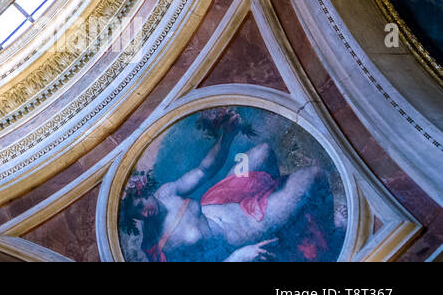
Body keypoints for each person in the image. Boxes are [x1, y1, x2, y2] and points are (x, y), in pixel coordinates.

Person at [121, 108, 336, 261]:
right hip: (245, 227)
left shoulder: (165, 192)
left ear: (144, 191)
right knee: (313, 176)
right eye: (137, 214)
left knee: (263, 152)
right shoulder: (160, 245)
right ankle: (324, 223)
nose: (145, 212)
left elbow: (203, 171)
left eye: (141, 204)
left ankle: (288, 207)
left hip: (223, 198)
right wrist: (238, 256)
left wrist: (227, 137)